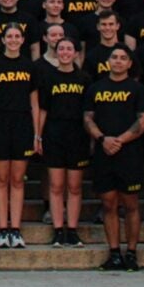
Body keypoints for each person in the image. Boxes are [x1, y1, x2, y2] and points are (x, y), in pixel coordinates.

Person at [86, 46, 144, 272]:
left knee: (131, 204)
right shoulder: (96, 88)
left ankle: (131, 253)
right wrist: (103, 139)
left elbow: (143, 121)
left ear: (130, 63)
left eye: (123, 58)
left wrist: (120, 140)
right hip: (104, 153)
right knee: (108, 204)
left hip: (129, 153)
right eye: (115, 57)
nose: (119, 61)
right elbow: (87, 118)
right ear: (108, 61)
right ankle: (114, 253)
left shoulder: (138, 89)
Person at [0, 24, 39, 248]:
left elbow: (34, 103)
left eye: (17, 36)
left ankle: (15, 229)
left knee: (17, 180)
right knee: (1, 179)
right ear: (3, 40)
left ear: (23, 40)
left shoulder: (30, 67)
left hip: (23, 125)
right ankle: (2, 229)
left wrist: (37, 135)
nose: (13, 40)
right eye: (9, 36)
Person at [39, 37, 88, 247]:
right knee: (57, 185)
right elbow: (43, 110)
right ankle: (58, 229)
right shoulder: (48, 77)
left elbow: (89, 113)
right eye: (62, 49)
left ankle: (73, 230)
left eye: (70, 48)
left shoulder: (84, 79)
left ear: (76, 53)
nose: (66, 52)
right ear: (56, 52)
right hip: (54, 134)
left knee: (75, 186)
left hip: (78, 135)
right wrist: (38, 136)